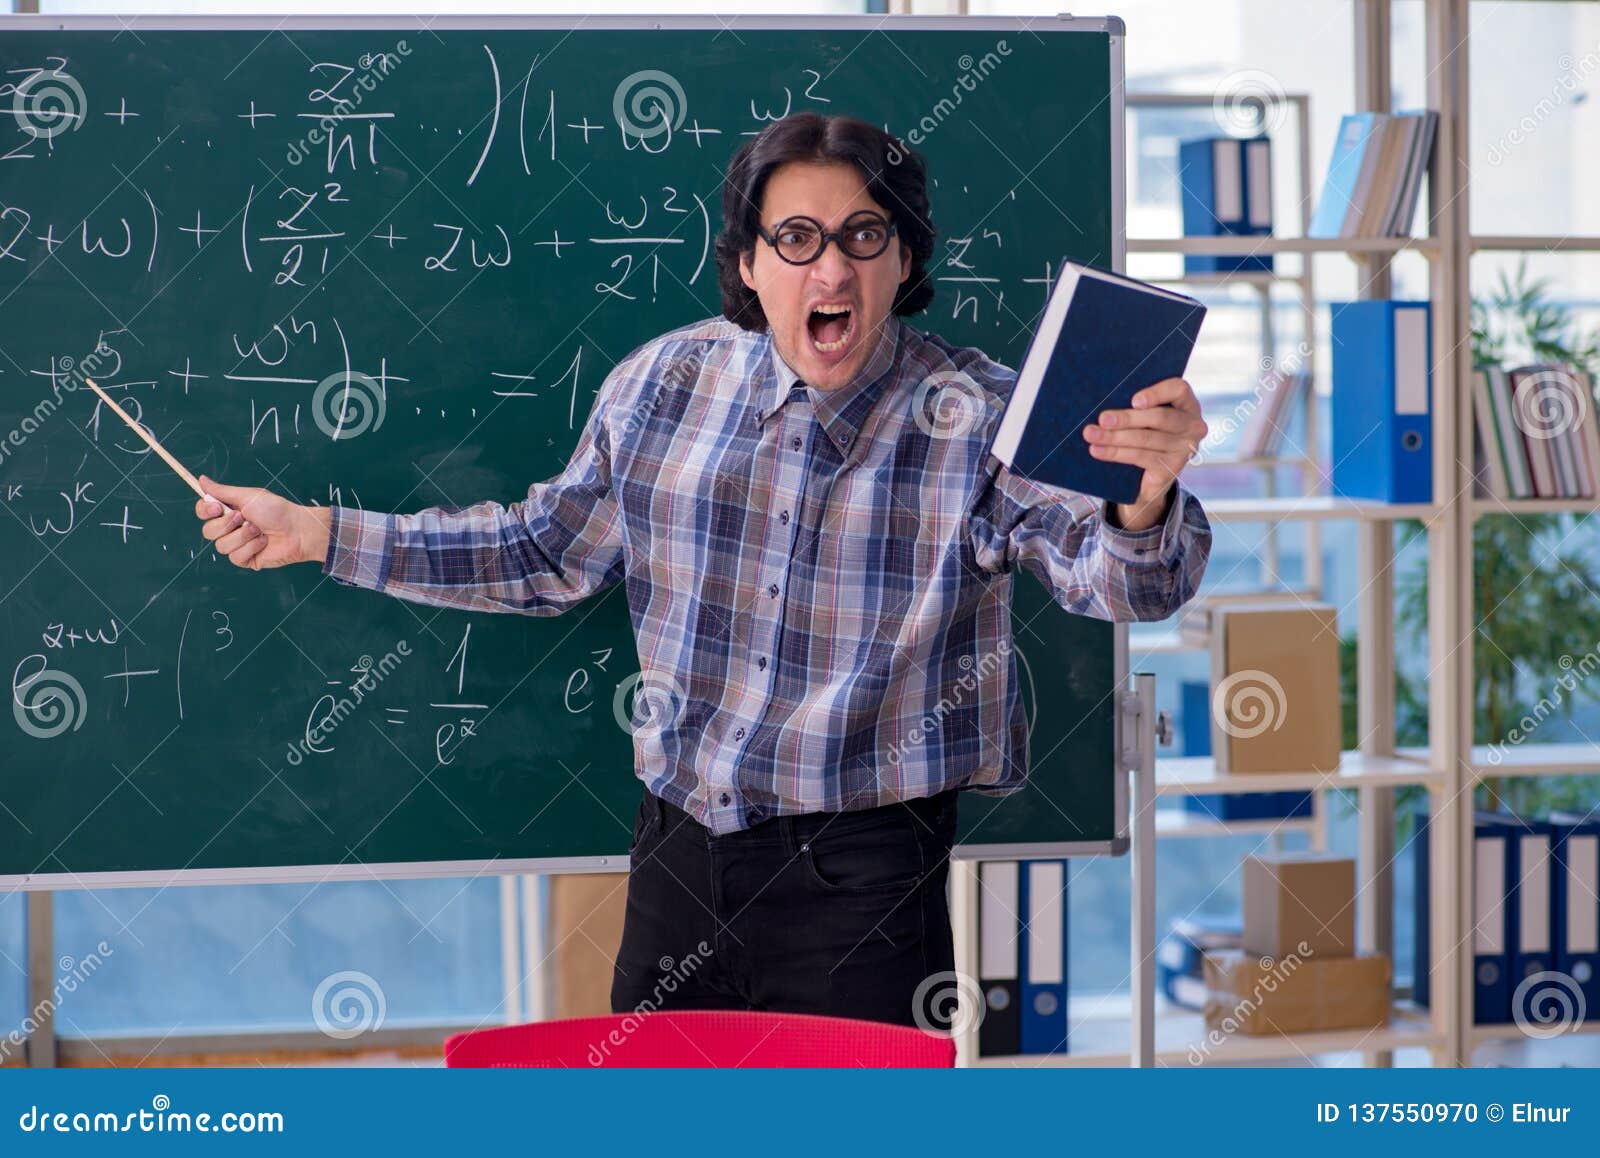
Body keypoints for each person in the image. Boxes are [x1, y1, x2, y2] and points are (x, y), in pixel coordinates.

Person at [193, 111, 1211, 1030]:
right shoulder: (663, 384)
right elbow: (541, 551)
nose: (832, 273)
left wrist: (1145, 496)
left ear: (904, 258)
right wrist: (315, 531)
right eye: (796, 240)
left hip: (864, 884)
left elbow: (1124, 583)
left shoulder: (979, 417)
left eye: (864, 237)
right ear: (747, 262)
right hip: (676, 857)